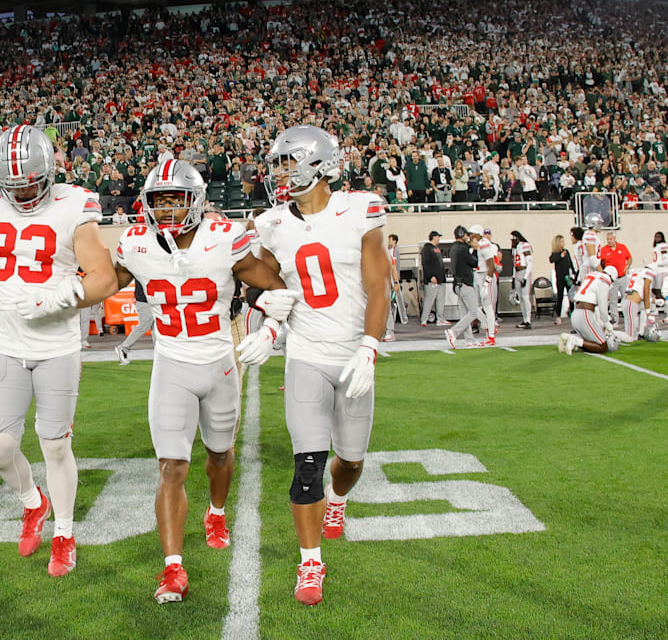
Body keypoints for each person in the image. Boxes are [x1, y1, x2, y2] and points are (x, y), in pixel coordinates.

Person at [109, 158, 293, 604]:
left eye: (176, 199)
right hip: (170, 363)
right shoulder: (135, 243)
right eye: (159, 201)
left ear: (196, 201)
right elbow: (101, 283)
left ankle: (215, 512)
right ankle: (172, 568)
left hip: (219, 361)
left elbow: (279, 286)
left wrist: (272, 327)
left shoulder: (224, 238)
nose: (168, 210)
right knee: (171, 466)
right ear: (146, 204)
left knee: (219, 453)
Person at [0, 124, 118, 578]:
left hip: (56, 344)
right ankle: (34, 501)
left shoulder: (73, 206)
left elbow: (104, 278)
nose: (23, 194)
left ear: (49, 172)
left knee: (54, 444)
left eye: (30, 183)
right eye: (14, 186)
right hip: (7, 341)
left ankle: (65, 534)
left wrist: (59, 297)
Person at [252, 126, 389, 607]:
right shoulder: (271, 224)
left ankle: (339, 501)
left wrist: (370, 346)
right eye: (280, 164)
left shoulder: (359, 210)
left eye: (290, 162)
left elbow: (380, 287)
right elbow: (262, 282)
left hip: (352, 351)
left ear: (320, 164)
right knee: (307, 465)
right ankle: (310, 563)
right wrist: (268, 324)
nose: (281, 173)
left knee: (349, 462)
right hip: (306, 354)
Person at [559, 265, 625, 355]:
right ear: (612, 277)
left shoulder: (593, 275)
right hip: (584, 314)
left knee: (591, 343)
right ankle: (573, 340)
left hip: (576, 313)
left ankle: (571, 342)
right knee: (602, 347)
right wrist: (607, 323)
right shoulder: (605, 280)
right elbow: (602, 308)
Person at [446, 226, 486, 350]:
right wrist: (475, 250)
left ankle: (470, 339)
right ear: (462, 235)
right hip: (465, 283)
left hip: (457, 284)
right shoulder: (463, 249)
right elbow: (474, 262)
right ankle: (454, 332)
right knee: (473, 312)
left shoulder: (453, 248)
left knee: (465, 313)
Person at [113, 273, 155, 364]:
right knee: (144, 326)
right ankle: (123, 348)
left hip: (152, 299)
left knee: (156, 327)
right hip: (144, 300)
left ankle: (160, 354)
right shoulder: (141, 267)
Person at [475, 227, 501, 344]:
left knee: (488, 307)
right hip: (480, 276)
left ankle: (491, 335)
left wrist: (486, 282)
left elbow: (492, 265)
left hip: (486, 276)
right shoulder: (479, 244)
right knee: (480, 306)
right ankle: (489, 329)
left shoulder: (485, 244)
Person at [418, 231, 446, 326]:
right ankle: (424, 319)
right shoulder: (427, 248)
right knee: (429, 300)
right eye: (438, 237)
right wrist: (431, 276)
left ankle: (440, 319)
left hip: (441, 280)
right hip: (432, 280)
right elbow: (425, 263)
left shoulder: (436, 248)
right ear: (434, 237)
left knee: (440, 300)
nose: (439, 239)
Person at [549, 235, 574, 326]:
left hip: (568, 276)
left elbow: (570, 263)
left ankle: (572, 313)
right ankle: (558, 316)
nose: (564, 243)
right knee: (560, 297)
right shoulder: (555, 253)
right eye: (562, 241)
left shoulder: (566, 252)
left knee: (571, 296)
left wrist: (574, 273)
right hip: (560, 277)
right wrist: (560, 256)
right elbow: (551, 260)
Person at [510, 230, 533, 329]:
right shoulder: (515, 248)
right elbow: (514, 264)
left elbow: (530, 262)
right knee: (520, 298)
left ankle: (528, 320)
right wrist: (513, 277)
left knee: (525, 297)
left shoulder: (525, 245)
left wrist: (525, 277)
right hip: (517, 273)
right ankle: (524, 319)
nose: (511, 241)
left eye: (513, 238)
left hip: (524, 272)